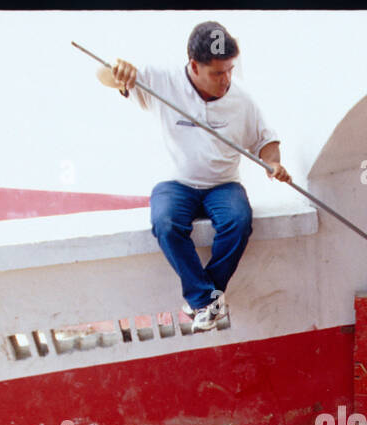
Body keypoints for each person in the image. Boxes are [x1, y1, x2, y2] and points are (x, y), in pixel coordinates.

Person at [98, 21, 290, 332]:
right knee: (166, 224)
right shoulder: (161, 80)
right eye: (217, 72)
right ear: (194, 66)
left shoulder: (242, 99)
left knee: (238, 222)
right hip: (177, 184)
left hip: (223, 185)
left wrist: (273, 164)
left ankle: (203, 299)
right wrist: (118, 70)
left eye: (229, 69)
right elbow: (105, 76)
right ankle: (206, 298)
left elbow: (265, 140)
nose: (226, 78)